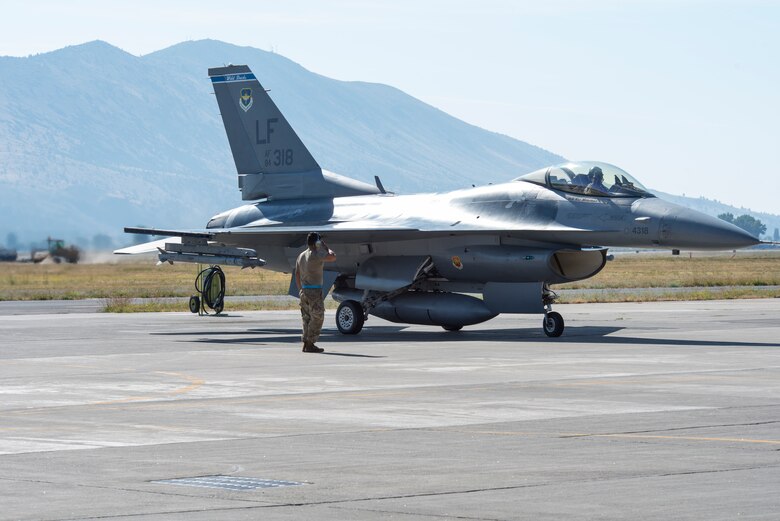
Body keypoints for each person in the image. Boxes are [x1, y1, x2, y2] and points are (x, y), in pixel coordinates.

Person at [295, 232, 337, 353]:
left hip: (304, 290)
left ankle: (306, 342)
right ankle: (310, 343)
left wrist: (300, 289)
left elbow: (297, 273)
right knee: (318, 317)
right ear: (316, 243)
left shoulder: (301, 255)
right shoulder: (317, 254)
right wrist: (325, 246)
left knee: (307, 318)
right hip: (314, 291)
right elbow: (333, 256)